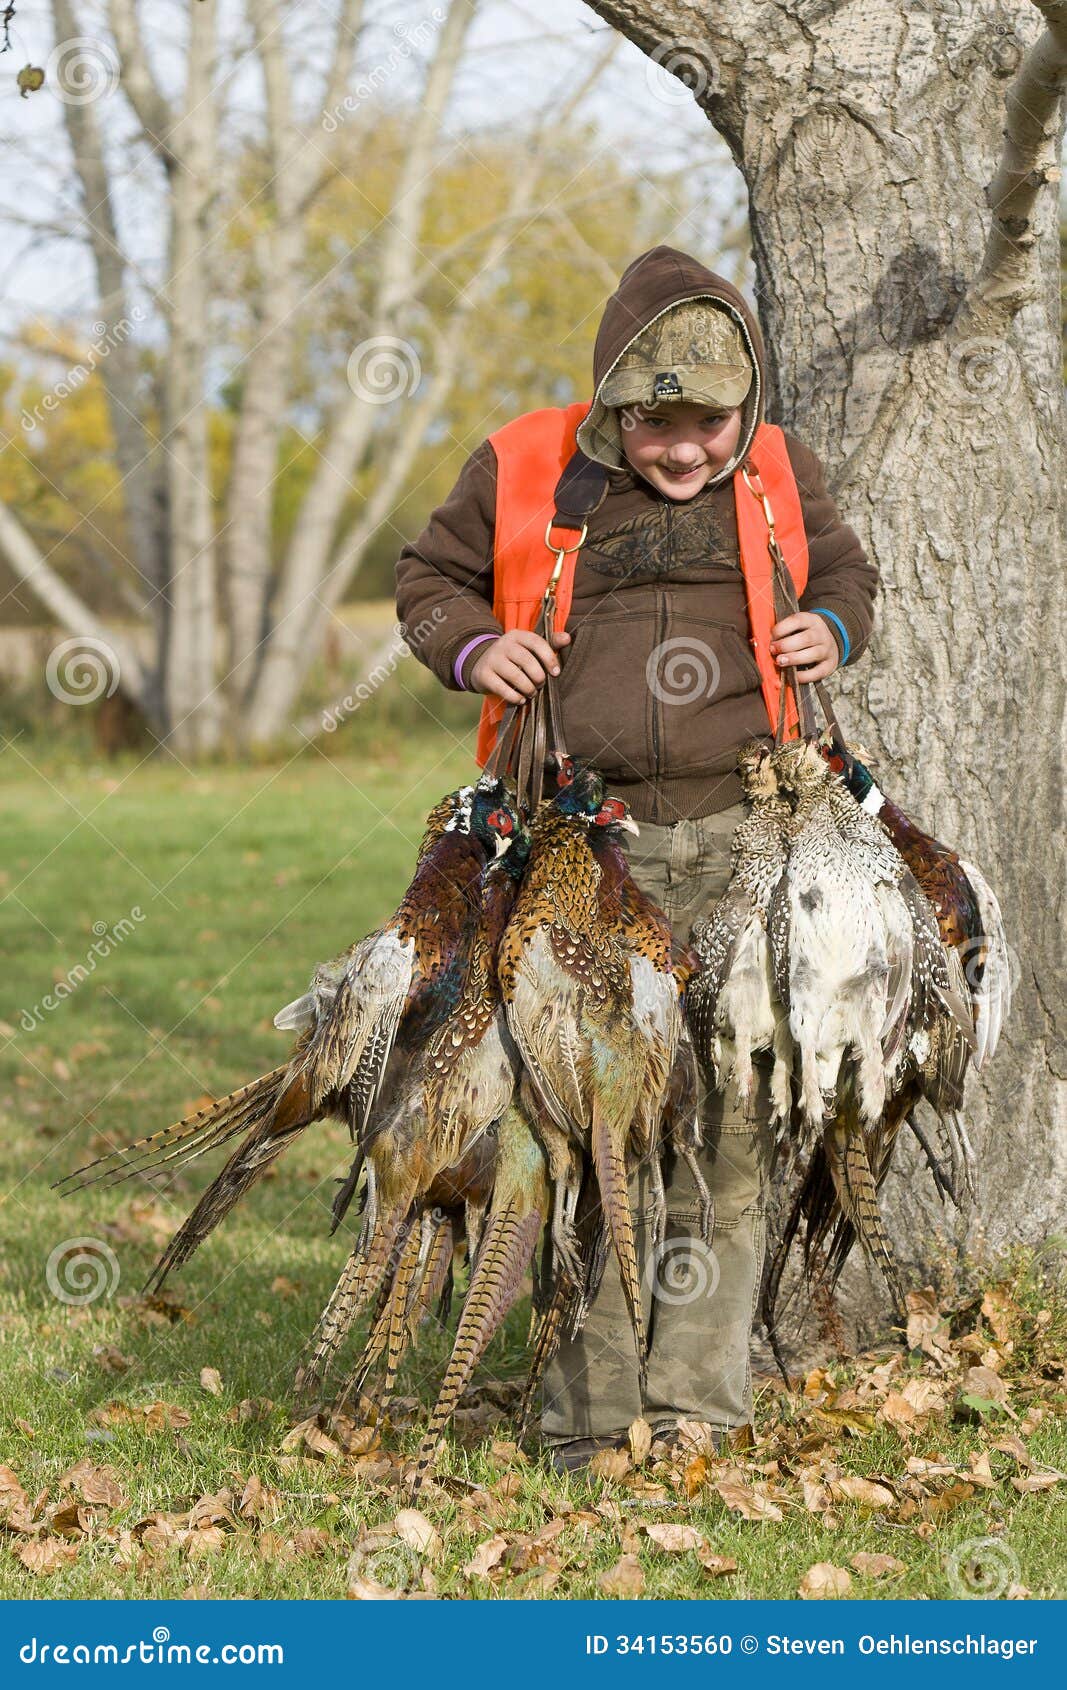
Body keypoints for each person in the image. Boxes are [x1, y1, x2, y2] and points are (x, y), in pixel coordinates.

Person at [396, 245, 878, 1470]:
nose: (686, 453)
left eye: (708, 425)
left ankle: (698, 1415)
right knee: (584, 1137)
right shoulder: (520, 461)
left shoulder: (774, 465)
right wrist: (468, 651)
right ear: (613, 401)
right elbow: (427, 579)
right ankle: (587, 1419)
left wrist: (827, 624)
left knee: (728, 1132)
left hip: (748, 837)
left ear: (743, 407)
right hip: (577, 847)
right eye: (658, 426)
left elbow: (847, 573)